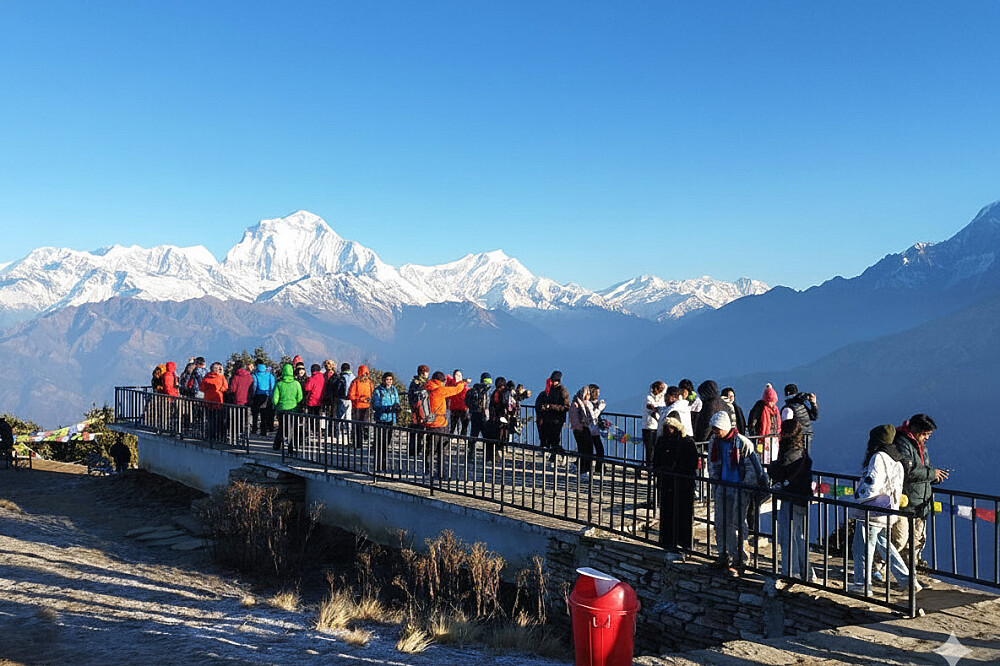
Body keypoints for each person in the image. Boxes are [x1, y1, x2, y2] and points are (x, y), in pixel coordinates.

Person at [851, 424, 919, 595]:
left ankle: (862, 585)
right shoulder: (897, 459)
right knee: (884, 544)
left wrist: (859, 496)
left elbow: (872, 484)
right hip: (889, 510)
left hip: (873, 511)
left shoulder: (879, 457)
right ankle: (907, 580)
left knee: (862, 547)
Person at [707, 410, 766, 577]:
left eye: (717, 429)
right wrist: (715, 481)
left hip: (739, 488)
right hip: (722, 485)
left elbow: (752, 469)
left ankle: (741, 559)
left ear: (725, 427)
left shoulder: (741, 443)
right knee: (720, 522)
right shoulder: (715, 441)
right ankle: (723, 554)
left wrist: (745, 488)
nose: (715, 432)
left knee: (737, 524)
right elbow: (713, 464)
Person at [890, 413, 947, 571]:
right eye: (924, 434)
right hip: (905, 500)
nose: (927, 438)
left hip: (921, 502)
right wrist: (931, 473)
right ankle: (875, 567)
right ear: (914, 429)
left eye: (929, 434)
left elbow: (922, 469)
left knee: (916, 542)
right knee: (899, 540)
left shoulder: (920, 445)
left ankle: (908, 574)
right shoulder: (902, 442)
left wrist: (933, 477)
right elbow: (907, 470)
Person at [769, 419, 815, 583]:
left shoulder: (789, 451)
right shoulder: (802, 450)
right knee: (798, 536)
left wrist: (771, 467)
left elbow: (779, 471)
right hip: (802, 498)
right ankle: (807, 573)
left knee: (787, 536)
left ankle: (791, 572)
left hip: (791, 497)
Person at [654, 413, 699, 552]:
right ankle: (667, 541)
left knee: (683, 513)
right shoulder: (662, 441)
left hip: (683, 484)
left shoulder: (687, 442)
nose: (669, 430)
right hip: (667, 482)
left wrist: (677, 469)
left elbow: (692, 463)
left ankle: (684, 542)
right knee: (667, 512)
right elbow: (656, 460)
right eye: (667, 427)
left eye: (672, 427)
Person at [424, 370, 470, 478]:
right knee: (441, 450)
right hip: (440, 423)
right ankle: (441, 473)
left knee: (430, 449)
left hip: (429, 422)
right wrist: (461, 382)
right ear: (441, 381)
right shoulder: (439, 390)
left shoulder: (427, 388)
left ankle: (427, 471)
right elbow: (457, 390)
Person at [568, 384, 606, 480]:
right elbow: (592, 417)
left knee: (584, 450)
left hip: (581, 429)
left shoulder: (577, 402)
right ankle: (587, 469)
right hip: (586, 429)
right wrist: (599, 408)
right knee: (589, 450)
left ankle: (584, 468)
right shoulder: (585, 403)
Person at [537, 371, 570, 461]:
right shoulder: (550, 389)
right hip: (549, 418)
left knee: (555, 438)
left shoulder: (562, 390)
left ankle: (561, 454)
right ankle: (554, 455)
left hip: (558, 419)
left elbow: (566, 407)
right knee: (550, 438)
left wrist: (551, 406)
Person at [372, 372, 401, 471]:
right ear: (383, 380)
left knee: (387, 443)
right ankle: (377, 465)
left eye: (390, 380)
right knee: (379, 443)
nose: (389, 382)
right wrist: (388, 408)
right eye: (387, 379)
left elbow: (397, 400)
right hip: (381, 419)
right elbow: (375, 405)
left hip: (390, 420)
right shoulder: (378, 391)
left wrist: (397, 407)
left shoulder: (394, 390)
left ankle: (384, 465)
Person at [747, 384, 782, 466]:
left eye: (774, 401)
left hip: (773, 439)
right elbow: (752, 422)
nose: (772, 403)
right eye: (771, 401)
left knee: (773, 458)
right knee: (763, 459)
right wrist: (754, 434)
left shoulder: (775, 409)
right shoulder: (760, 407)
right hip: (762, 439)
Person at [272, 363, 303, 453]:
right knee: (293, 428)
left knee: (282, 427)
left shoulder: (279, 384)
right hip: (293, 409)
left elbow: (275, 399)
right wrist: (296, 403)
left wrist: (277, 405)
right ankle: (291, 446)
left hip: (282, 409)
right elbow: (300, 397)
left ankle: (277, 445)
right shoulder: (296, 384)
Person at [781, 384, 818, 450]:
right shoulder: (802, 405)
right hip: (807, 436)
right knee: (804, 457)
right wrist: (813, 404)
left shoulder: (788, 408)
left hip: (796, 439)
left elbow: (786, 427)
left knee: (795, 457)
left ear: (787, 393)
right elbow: (814, 417)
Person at [200, 362, 229, 442]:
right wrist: (219, 390)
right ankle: (221, 436)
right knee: (219, 419)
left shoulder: (206, 377)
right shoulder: (221, 377)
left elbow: (201, 388)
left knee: (210, 419)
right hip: (218, 400)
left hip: (208, 400)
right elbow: (226, 387)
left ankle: (211, 436)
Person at [348, 365, 374, 447]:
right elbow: (373, 394)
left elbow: (350, 395)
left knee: (357, 426)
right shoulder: (369, 382)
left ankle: (357, 443)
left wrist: (359, 399)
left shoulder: (355, 382)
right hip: (366, 406)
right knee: (363, 425)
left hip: (357, 407)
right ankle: (362, 441)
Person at [408, 365, 431, 455]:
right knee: (417, 430)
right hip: (418, 410)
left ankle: (415, 449)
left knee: (417, 431)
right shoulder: (418, 383)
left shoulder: (416, 382)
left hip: (417, 409)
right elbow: (418, 398)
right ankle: (414, 450)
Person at [694, 380, 727, 444]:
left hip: (709, 441)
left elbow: (707, 425)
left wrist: (701, 441)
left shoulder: (710, 405)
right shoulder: (722, 402)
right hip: (720, 438)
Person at [643, 381, 667, 467]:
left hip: (658, 426)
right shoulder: (649, 397)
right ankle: (649, 467)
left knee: (657, 448)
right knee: (650, 449)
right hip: (648, 426)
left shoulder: (662, 397)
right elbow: (650, 406)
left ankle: (656, 466)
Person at [465, 372, 493, 448]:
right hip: (482, 415)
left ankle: (470, 452)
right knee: (485, 436)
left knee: (474, 434)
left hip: (475, 414)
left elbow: (467, 402)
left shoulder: (474, 391)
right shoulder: (487, 392)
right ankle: (487, 454)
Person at [250, 361, 276, 436]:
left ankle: (254, 428)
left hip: (258, 396)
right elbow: (272, 386)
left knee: (255, 413)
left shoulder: (255, 375)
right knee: (264, 414)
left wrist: (253, 395)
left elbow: (254, 385)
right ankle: (263, 430)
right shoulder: (270, 375)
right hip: (267, 396)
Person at [333, 363, 355, 441]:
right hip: (351, 400)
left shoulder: (341, 378)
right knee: (348, 417)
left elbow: (337, 389)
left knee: (340, 417)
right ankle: (348, 434)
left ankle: (338, 434)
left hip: (341, 399)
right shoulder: (354, 377)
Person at [446, 370, 470, 438]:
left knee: (464, 425)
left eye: (460, 375)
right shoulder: (451, 383)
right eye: (457, 375)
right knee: (453, 426)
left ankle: (463, 439)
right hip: (454, 408)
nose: (458, 377)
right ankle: (450, 439)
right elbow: (447, 377)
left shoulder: (464, 385)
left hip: (463, 408)